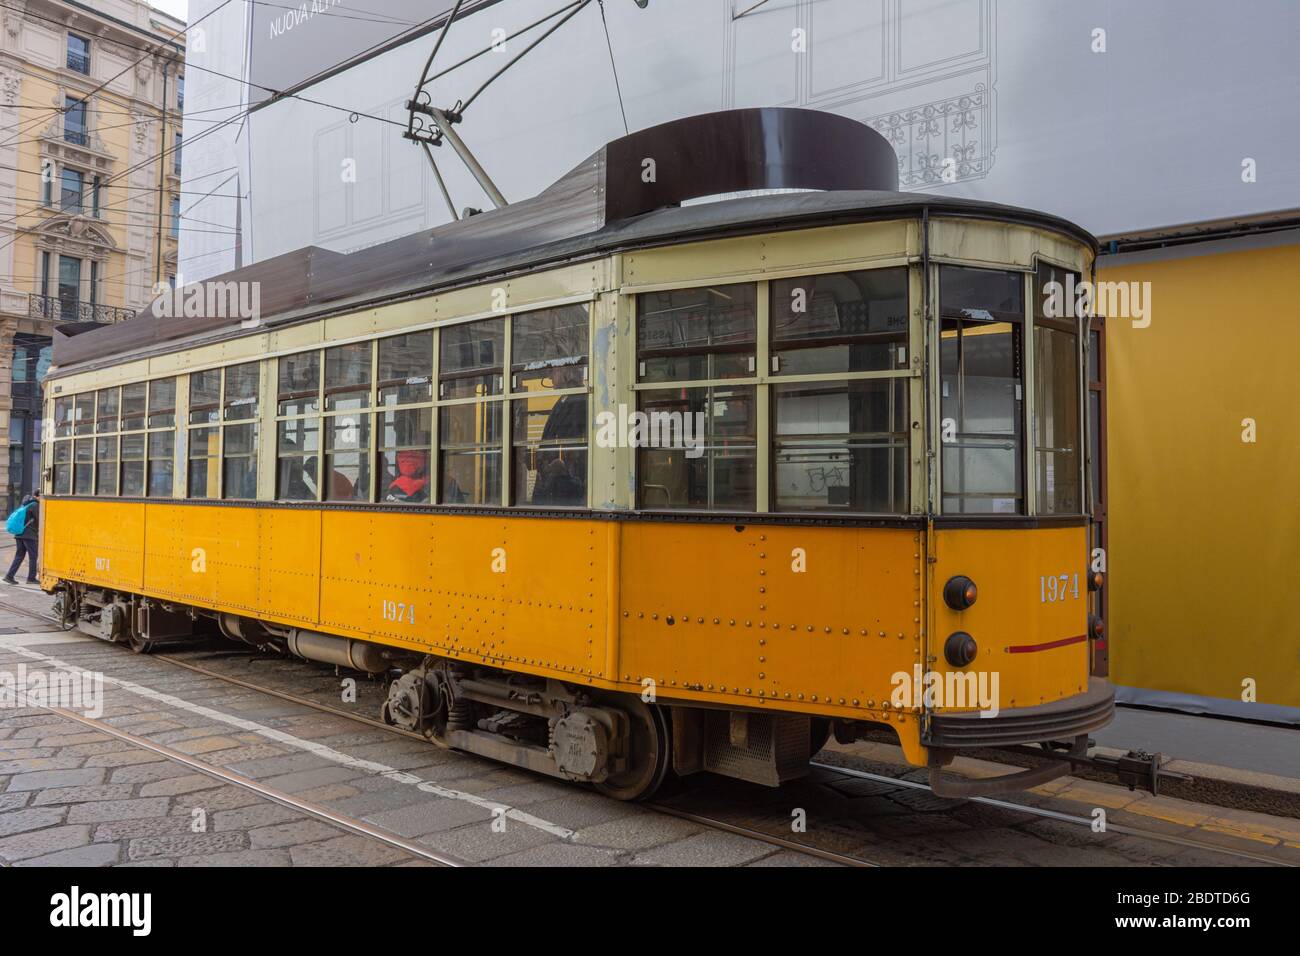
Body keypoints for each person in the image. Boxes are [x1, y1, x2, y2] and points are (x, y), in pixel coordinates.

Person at [5, 493, 39, 585]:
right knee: (33, 556)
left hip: (19, 533)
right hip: (29, 535)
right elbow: (39, 520)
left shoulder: (25, 504)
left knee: (19, 556)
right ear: (38, 496)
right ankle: (31, 578)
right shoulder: (35, 505)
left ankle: (9, 576)